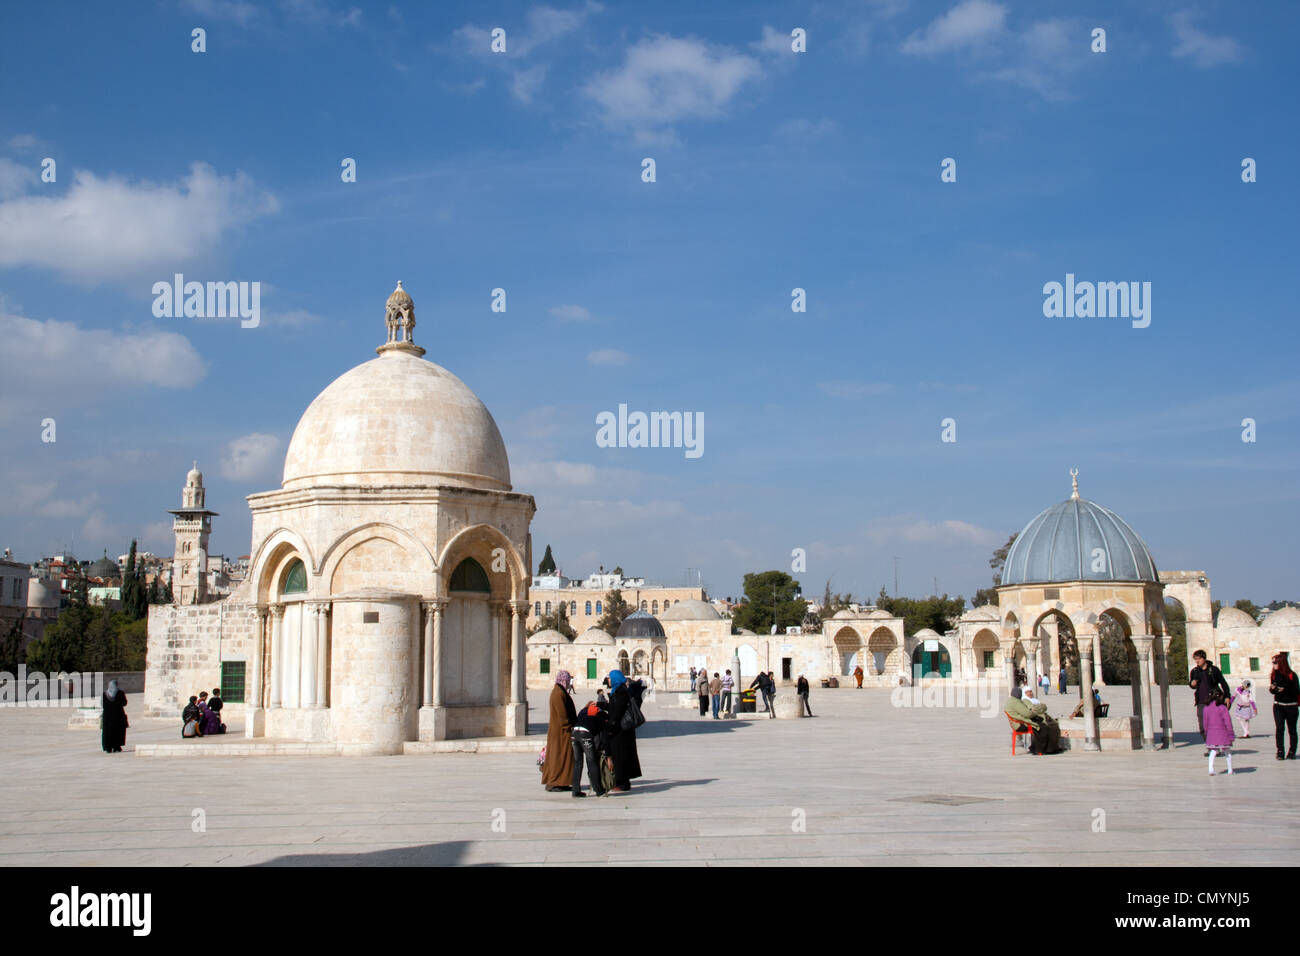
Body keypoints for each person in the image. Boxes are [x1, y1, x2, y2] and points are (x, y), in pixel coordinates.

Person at [606, 670, 643, 792]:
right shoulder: (619, 691)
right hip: (622, 729)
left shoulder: (621, 692)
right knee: (622, 754)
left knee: (620, 755)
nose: (608, 680)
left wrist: (611, 726)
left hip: (621, 729)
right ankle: (623, 781)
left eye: (610, 678)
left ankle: (622, 782)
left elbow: (617, 711)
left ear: (615, 679)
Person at [542, 670, 577, 792]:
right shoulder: (558, 693)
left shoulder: (560, 691)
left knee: (564, 758)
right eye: (567, 680)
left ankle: (562, 781)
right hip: (561, 732)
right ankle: (554, 782)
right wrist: (568, 726)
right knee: (559, 757)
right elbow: (562, 714)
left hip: (561, 731)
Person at [1190, 650, 1231, 754]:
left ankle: (1215, 748)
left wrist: (1227, 696)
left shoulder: (1214, 670)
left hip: (1214, 701)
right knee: (1203, 726)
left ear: (1204, 658)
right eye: (1196, 659)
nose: (1197, 661)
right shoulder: (1195, 671)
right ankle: (1211, 746)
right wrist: (1192, 684)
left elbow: (1223, 683)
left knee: (1216, 725)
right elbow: (1191, 684)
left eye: (1199, 659)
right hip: (1201, 701)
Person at [571, 699, 607, 797]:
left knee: (578, 762)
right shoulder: (600, 715)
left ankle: (575, 790)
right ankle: (599, 790)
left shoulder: (583, 711)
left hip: (574, 733)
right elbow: (603, 736)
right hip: (585, 734)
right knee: (591, 761)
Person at [1269, 652, 1299, 760]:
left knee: (1292, 730)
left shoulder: (1292, 675)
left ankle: (1292, 751)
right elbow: (1273, 690)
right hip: (1278, 706)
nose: (1273, 665)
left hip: (1291, 706)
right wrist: (1272, 689)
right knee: (1279, 729)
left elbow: (1296, 690)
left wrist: (1285, 689)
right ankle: (1280, 751)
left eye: (1275, 662)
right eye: (1273, 662)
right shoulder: (1274, 675)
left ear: (1281, 663)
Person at [1203, 686, 1235, 775]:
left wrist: (1206, 733)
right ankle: (1230, 769)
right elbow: (1228, 722)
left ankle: (1210, 769)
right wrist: (1231, 734)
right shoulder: (1222, 708)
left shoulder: (1206, 708)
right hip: (1222, 733)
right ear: (1220, 696)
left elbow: (1205, 722)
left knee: (1213, 751)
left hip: (1211, 733)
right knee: (1227, 751)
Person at [101, 679, 128, 753]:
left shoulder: (104, 694)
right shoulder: (120, 693)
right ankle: (116, 747)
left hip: (107, 716)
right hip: (118, 715)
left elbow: (102, 704)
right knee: (118, 731)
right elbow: (124, 703)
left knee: (108, 731)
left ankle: (108, 747)